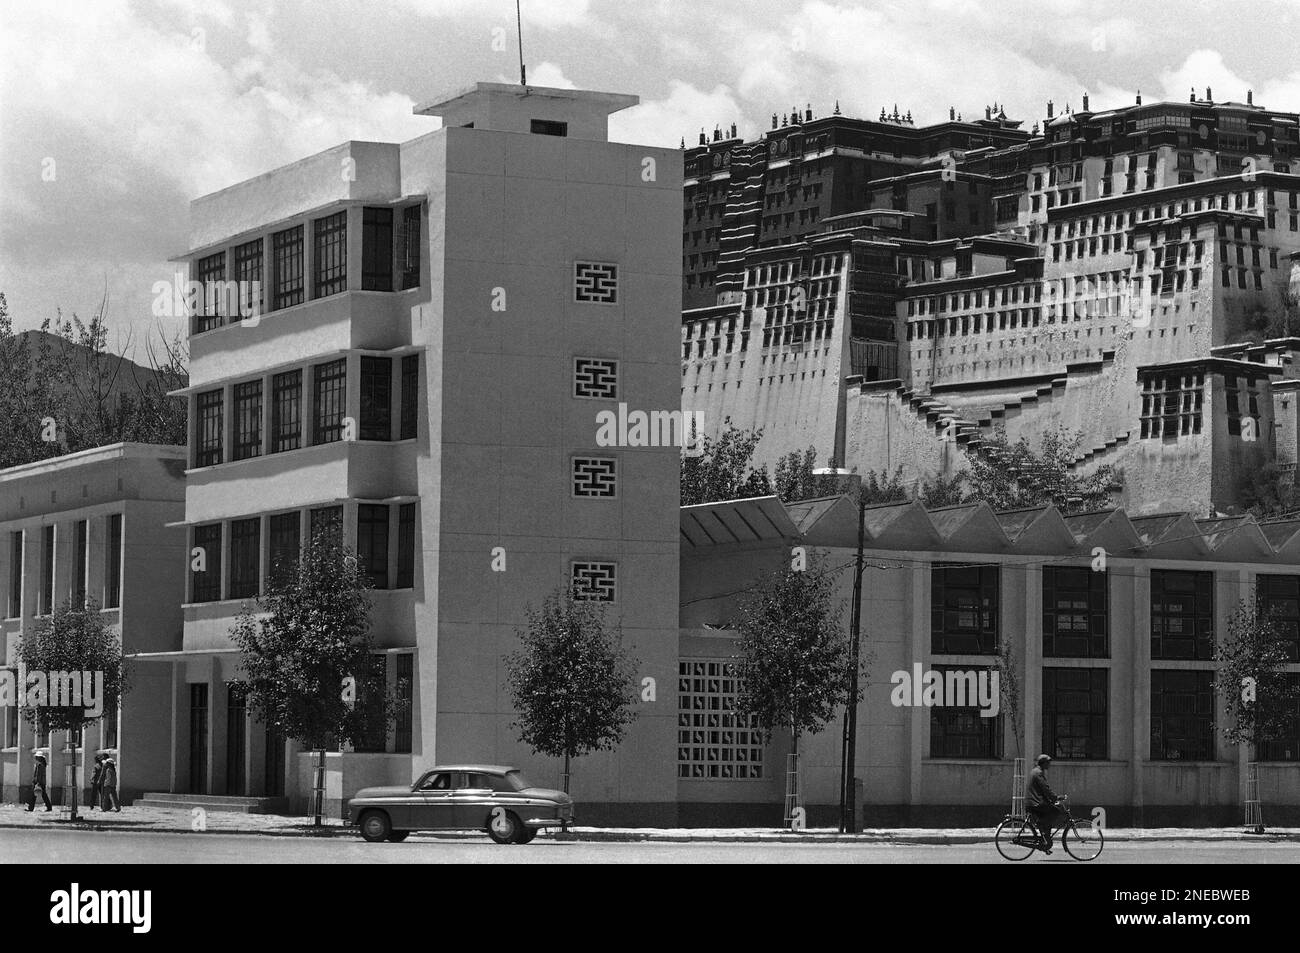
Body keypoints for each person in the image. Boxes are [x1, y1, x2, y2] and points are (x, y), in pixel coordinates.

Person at [1026, 753, 1064, 853]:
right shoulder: (1038, 773)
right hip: (1035, 802)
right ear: (1043, 763)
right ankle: (1042, 827)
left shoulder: (1037, 771)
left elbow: (1043, 789)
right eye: (1048, 762)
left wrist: (1052, 798)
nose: (1049, 765)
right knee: (1055, 811)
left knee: (1051, 812)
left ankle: (1045, 839)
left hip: (1034, 801)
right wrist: (1055, 797)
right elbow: (1045, 788)